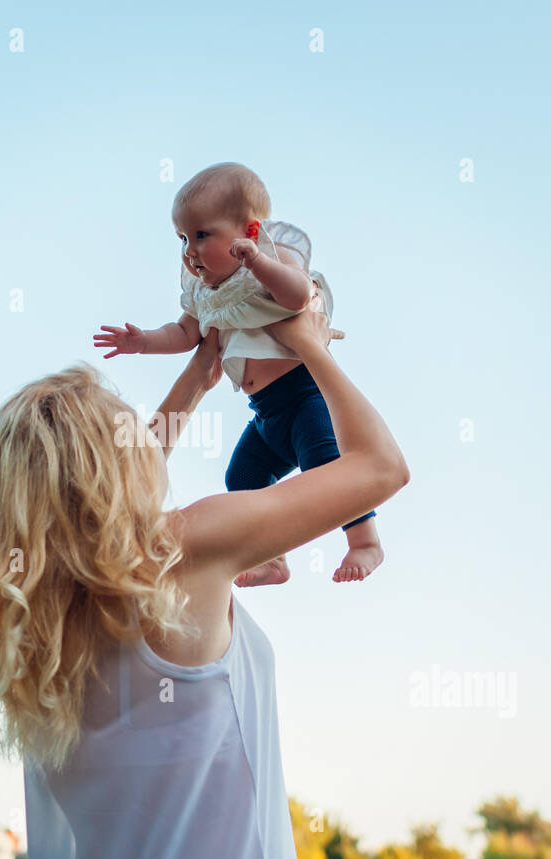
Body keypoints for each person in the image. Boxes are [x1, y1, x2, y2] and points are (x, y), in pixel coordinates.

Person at [0, 300, 408, 859]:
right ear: (114, 463)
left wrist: (197, 379)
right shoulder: (184, 551)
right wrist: (309, 344)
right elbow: (380, 467)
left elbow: (100, 504)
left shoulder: (35, 628)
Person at [94, 161, 384, 586]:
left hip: (304, 398)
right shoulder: (205, 289)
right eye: (183, 238)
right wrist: (144, 342)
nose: (190, 250)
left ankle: (365, 541)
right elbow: (185, 333)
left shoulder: (271, 259)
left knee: (327, 466)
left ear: (249, 232)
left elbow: (298, 295)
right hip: (265, 412)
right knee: (241, 477)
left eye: (202, 235)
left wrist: (259, 265)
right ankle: (272, 559)